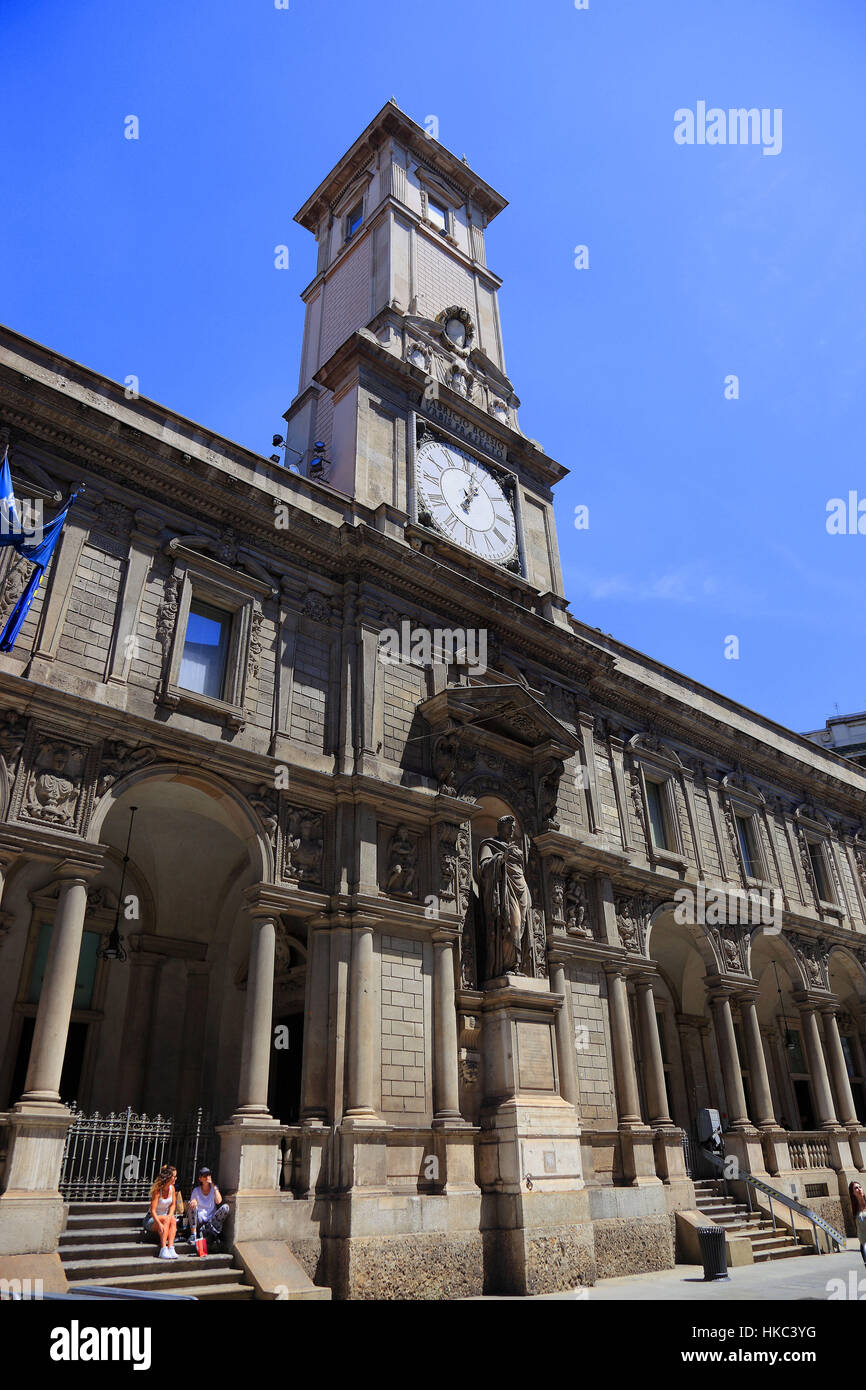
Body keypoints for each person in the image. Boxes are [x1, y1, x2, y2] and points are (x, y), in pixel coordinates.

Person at [146, 1164, 183, 1260]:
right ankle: (163, 1249)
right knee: (167, 1219)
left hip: (164, 1217)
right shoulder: (157, 1191)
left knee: (172, 1220)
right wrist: (159, 1223)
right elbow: (153, 1211)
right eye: (174, 1176)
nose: (176, 1178)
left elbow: (173, 1205)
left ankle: (171, 1248)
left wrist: (170, 1215)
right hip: (151, 1219)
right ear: (169, 1177)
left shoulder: (172, 1188)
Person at [186, 1167, 229, 1248]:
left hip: (211, 1220)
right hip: (199, 1219)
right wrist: (194, 1202)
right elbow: (193, 1202)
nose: (207, 1177)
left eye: (209, 1175)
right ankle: (193, 1234)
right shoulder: (196, 1190)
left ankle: (213, 1230)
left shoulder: (214, 1189)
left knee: (226, 1207)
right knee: (191, 1206)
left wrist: (214, 1186)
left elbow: (219, 1201)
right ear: (200, 1178)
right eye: (205, 1175)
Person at [849, 1181, 866, 1266]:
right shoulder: (855, 1210)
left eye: (860, 1187)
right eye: (856, 1188)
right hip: (863, 1245)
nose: (859, 1189)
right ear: (853, 1193)